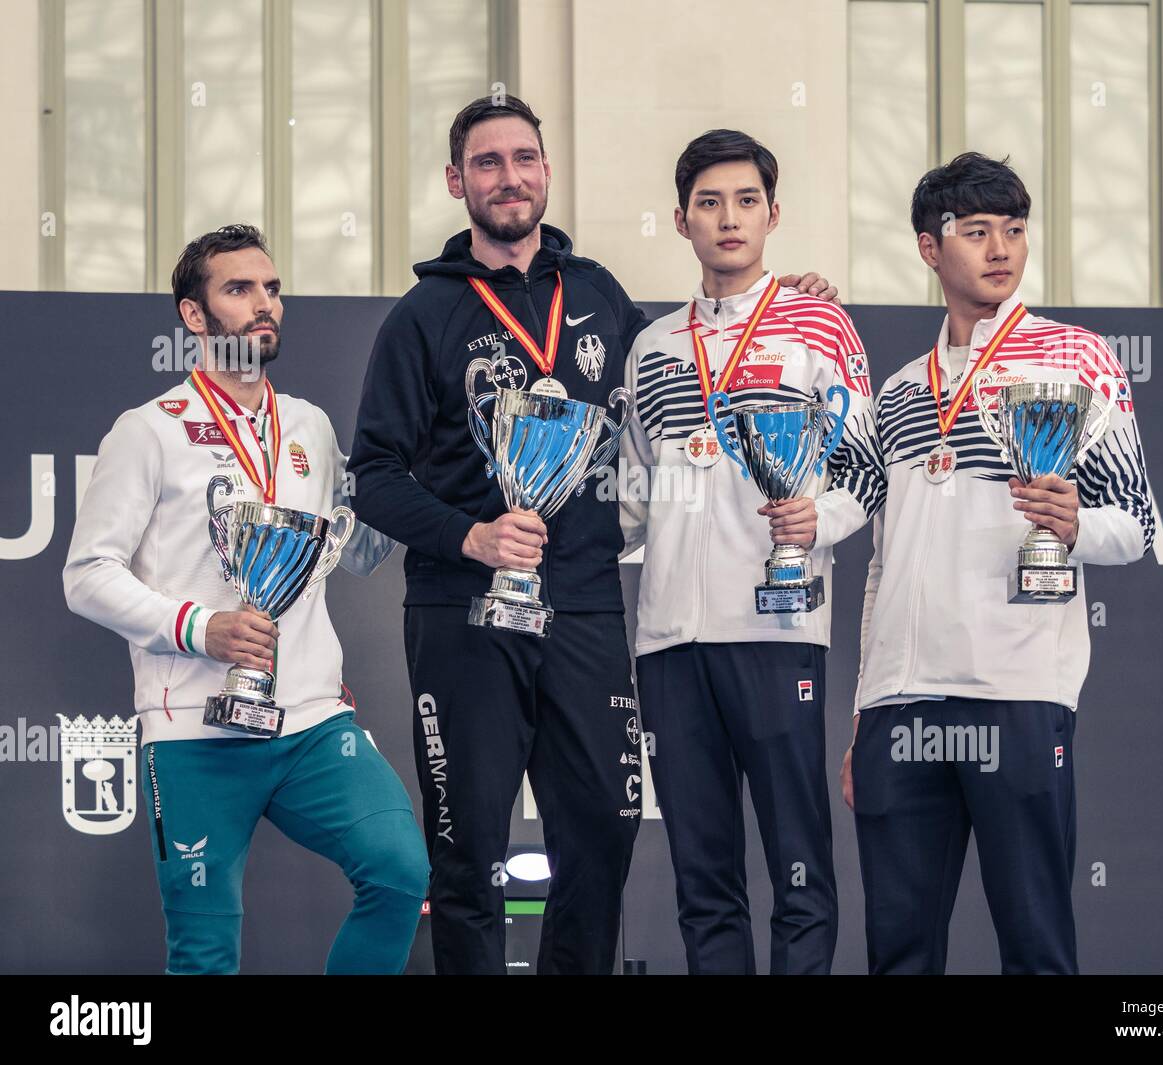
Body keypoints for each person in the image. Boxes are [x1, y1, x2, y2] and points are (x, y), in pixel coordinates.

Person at [347, 94, 839, 975]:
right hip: (466, 613)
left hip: (582, 608)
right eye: (488, 162)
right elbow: (374, 477)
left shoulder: (605, 298)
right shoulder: (421, 317)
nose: (510, 177)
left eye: (525, 159)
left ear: (547, 173)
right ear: (459, 181)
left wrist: (788, 295)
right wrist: (473, 538)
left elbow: (702, 347)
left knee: (605, 835)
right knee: (467, 854)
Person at [64, 225, 429, 975]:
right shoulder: (148, 432)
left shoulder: (309, 427)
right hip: (194, 733)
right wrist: (203, 629)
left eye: (272, 288)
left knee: (400, 872)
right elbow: (86, 574)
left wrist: (411, 486)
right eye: (239, 290)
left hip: (312, 722)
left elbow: (353, 553)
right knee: (203, 956)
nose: (265, 305)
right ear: (193, 316)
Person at [841, 153, 1154, 974]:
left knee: (1036, 946)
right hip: (901, 704)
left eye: (1013, 230)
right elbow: (882, 559)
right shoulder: (900, 391)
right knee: (898, 953)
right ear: (927, 247)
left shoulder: (1077, 359)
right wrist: (862, 710)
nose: (1000, 248)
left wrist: (1077, 523)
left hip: (1017, 695)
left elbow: (1138, 523)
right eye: (975, 231)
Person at [619, 130, 885, 974]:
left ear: (773, 214)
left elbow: (868, 467)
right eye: (708, 202)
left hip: (778, 629)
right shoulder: (652, 346)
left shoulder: (819, 324)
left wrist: (822, 517)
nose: (727, 218)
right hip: (668, 640)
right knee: (703, 877)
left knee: (798, 867)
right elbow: (630, 493)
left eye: (744, 201)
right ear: (679, 220)